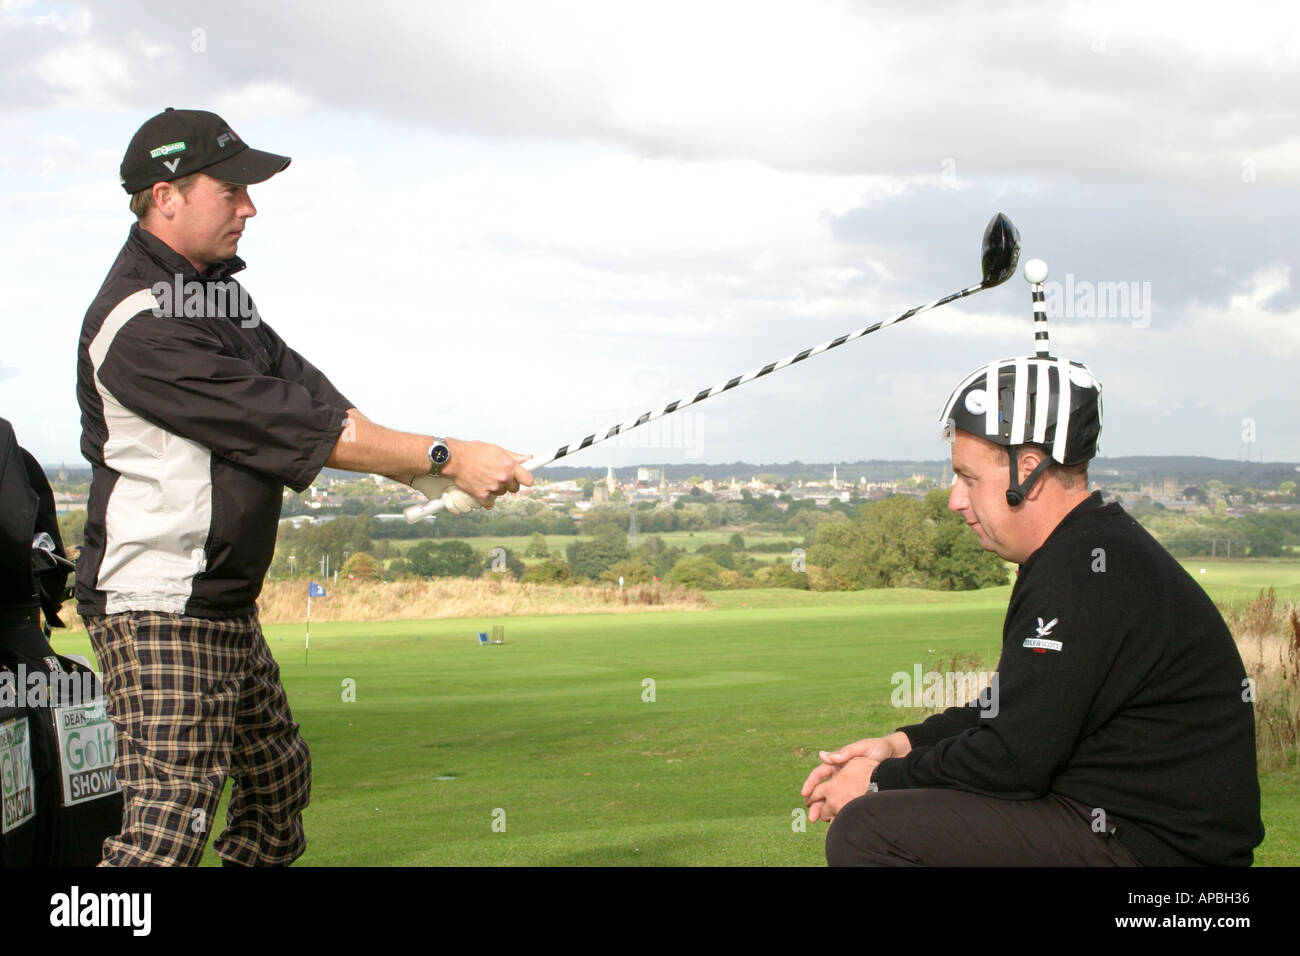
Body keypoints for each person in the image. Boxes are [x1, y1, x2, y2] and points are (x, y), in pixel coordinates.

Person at [76, 107, 530, 866]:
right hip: (156, 602)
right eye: (231, 191)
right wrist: (448, 454)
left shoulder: (214, 297)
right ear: (167, 197)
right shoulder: (141, 322)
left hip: (219, 598)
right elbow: (284, 422)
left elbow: (311, 396)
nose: (250, 208)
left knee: (277, 781)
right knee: (167, 825)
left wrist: (417, 470)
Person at [800, 354, 1263, 866]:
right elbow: (1008, 712)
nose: (955, 500)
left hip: (1157, 854)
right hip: (1123, 829)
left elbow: (1012, 760)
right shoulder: (1086, 550)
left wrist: (876, 783)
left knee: (869, 830)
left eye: (968, 478)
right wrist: (898, 745)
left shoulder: (1084, 571)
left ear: (1028, 473)